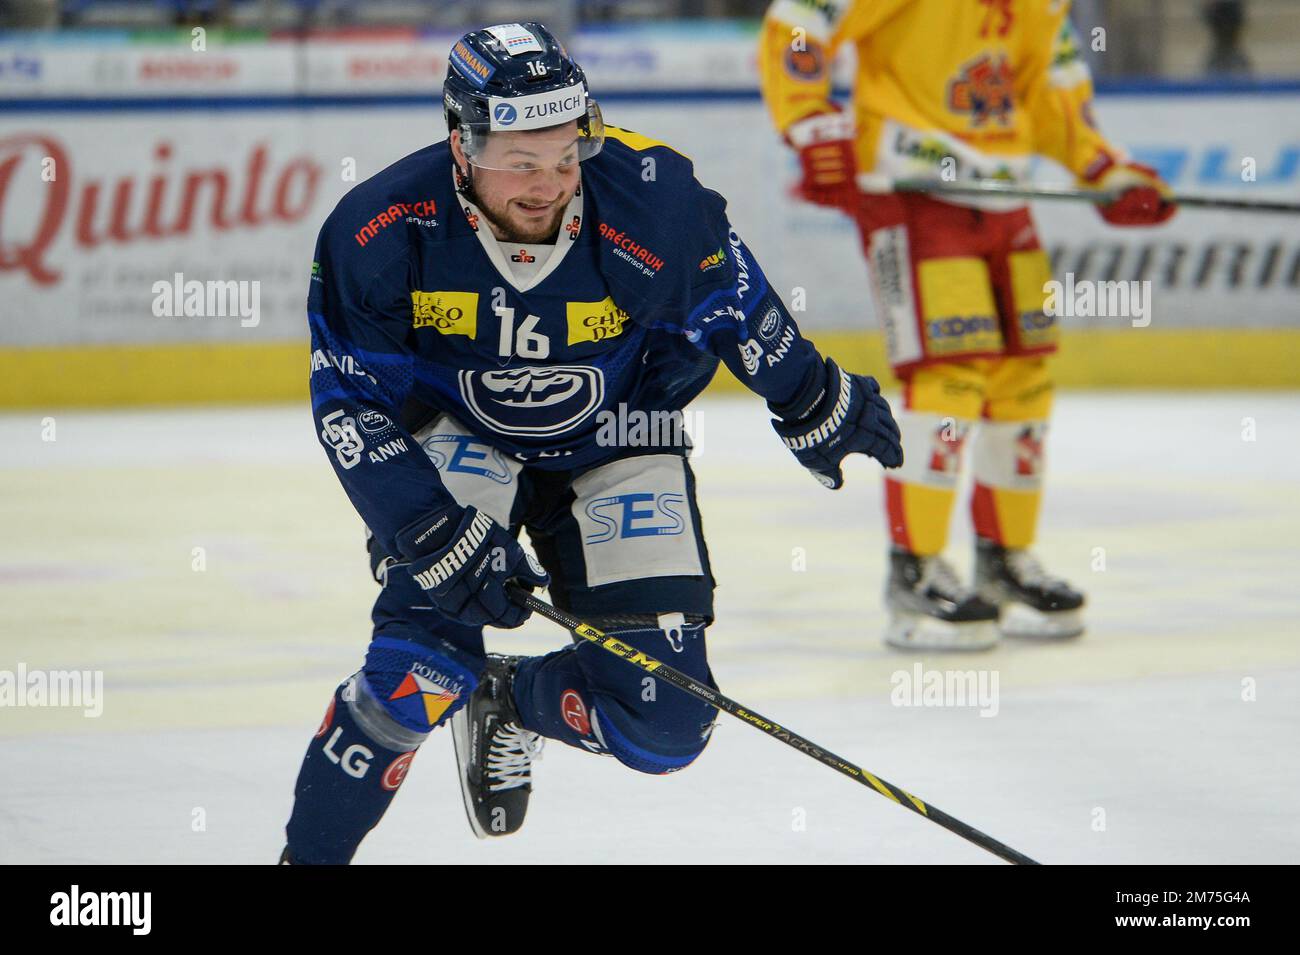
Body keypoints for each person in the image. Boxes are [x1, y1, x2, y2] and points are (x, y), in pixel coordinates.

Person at [282, 21, 902, 864]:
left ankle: (513, 698)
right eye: (521, 163)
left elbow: (736, 299)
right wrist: (428, 528)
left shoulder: (653, 202)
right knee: (413, 674)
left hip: (619, 434)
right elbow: (351, 405)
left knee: (666, 723)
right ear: (461, 145)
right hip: (459, 434)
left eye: (566, 157)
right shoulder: (382, 229)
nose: (549, 187)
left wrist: (812, 395)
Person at [759, 0, 1177, 650]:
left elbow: (1051, 94)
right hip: (909, 188)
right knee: (946, 379)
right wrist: (811, 122)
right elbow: (801, 17)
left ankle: (1005, 560)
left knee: (1023, 381)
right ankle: (916, 571)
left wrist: (1107, 171)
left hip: (1008, 195)